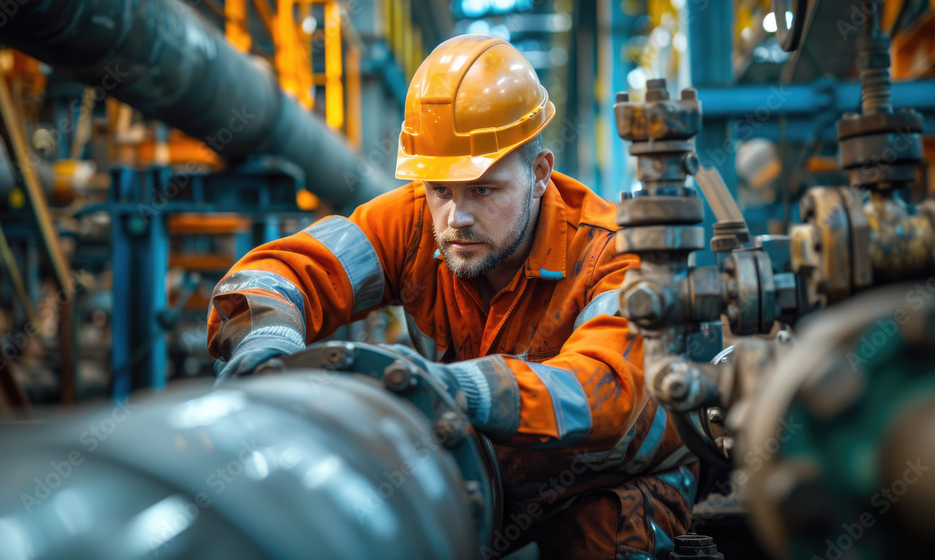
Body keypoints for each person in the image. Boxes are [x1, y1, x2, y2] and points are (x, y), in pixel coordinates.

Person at [207, 34, 698, 560]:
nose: (455, 218)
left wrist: (443, 388)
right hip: (479, 479)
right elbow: (278, 274)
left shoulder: (610, 253)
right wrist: (265, 348)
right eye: (440, 189)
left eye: (483, 190)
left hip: (604, 484)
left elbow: (604, 393)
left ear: (539, 174)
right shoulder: (415, 219)